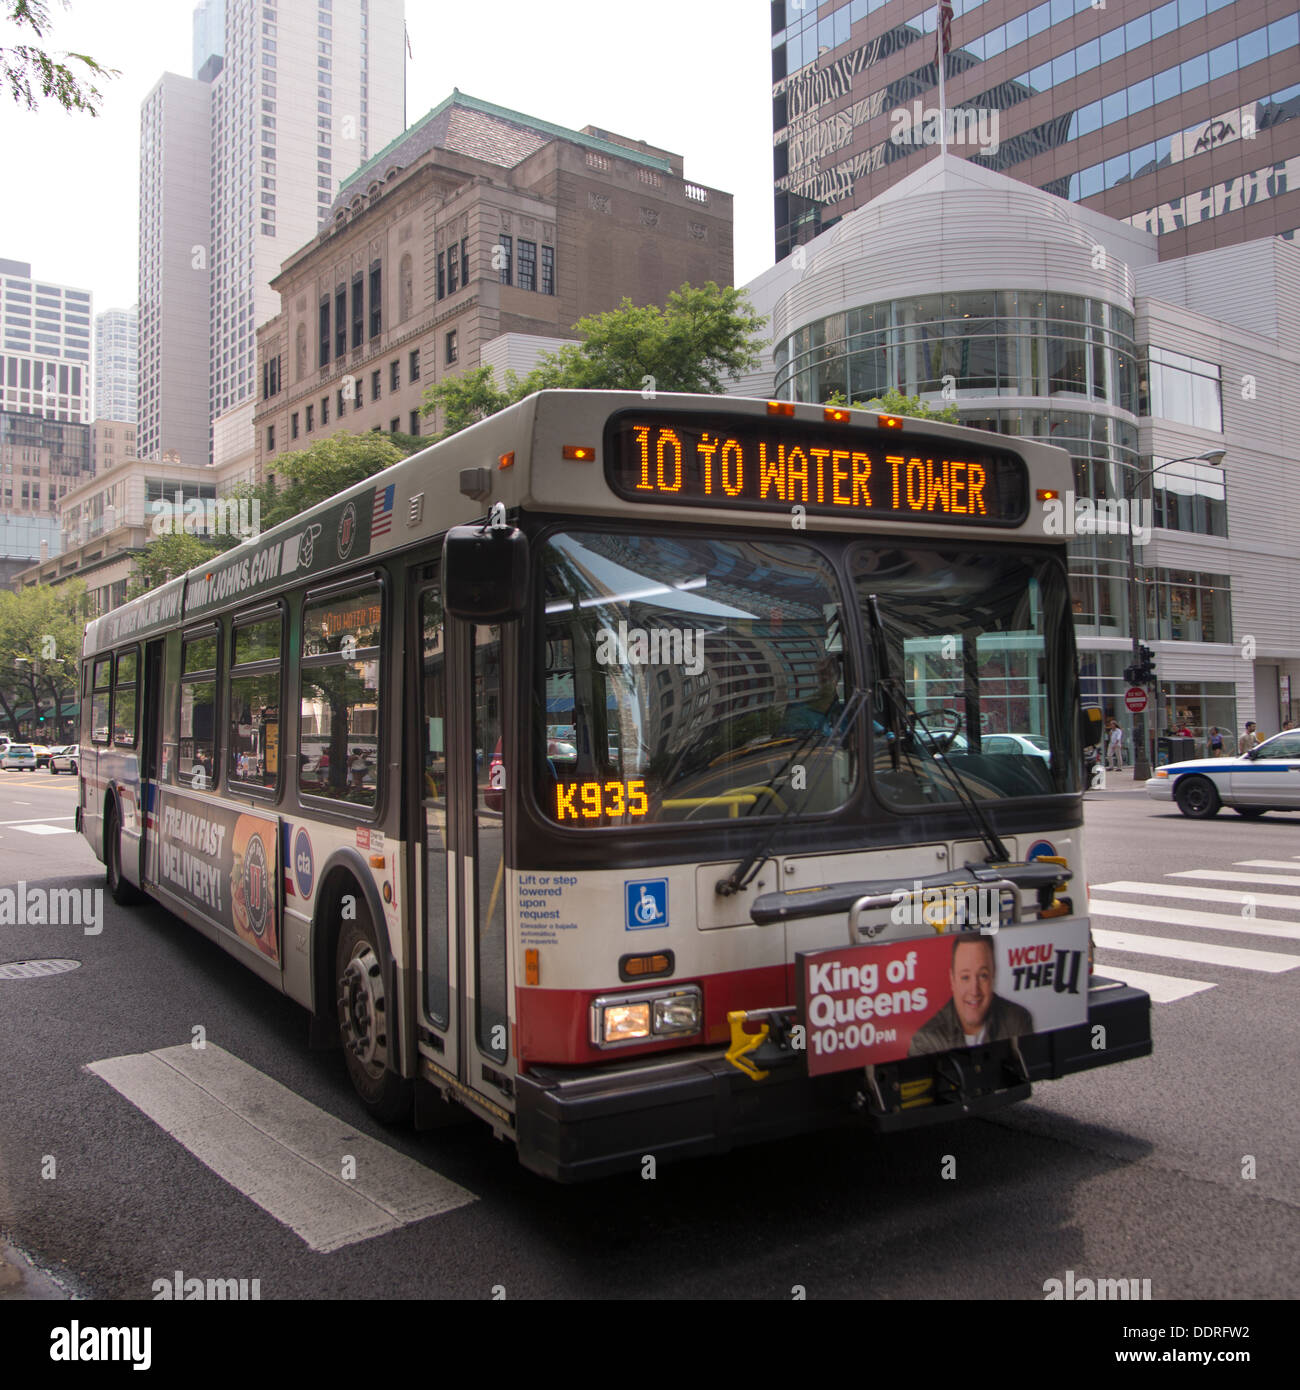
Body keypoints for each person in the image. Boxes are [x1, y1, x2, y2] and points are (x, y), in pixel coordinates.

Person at [909, 934, 1034, 1056]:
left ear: (993, 975)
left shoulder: (1017, 1020)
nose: (974, 990)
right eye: (965, 977)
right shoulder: (925, 1039)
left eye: (983, 975)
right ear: (952, 980)